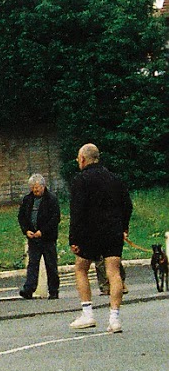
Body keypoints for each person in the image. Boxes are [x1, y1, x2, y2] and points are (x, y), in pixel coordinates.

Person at [67, 143, 133, 333]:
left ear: (82, 159)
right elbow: (127, 205)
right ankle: (115, 318)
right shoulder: (115, 178)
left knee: (81, 268)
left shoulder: (80, 180)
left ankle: (87, 313)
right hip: (113, 231)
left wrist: (74, 238)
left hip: (90, 232)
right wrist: (124, 227)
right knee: (113, 272)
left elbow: (77, 211)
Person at [17, 173, 59, 299]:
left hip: (48, 238)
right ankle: (29, 289)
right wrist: (26, 230)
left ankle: (53, 290)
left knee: (51, 265)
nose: (35, 190)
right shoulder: (27, 200)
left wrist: (43, 231)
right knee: (33, 264)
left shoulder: (51, 199)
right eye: (33, 187)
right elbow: (21, 217)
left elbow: (55, 218)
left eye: (37, 187)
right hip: (33, 238)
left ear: (43, 186)